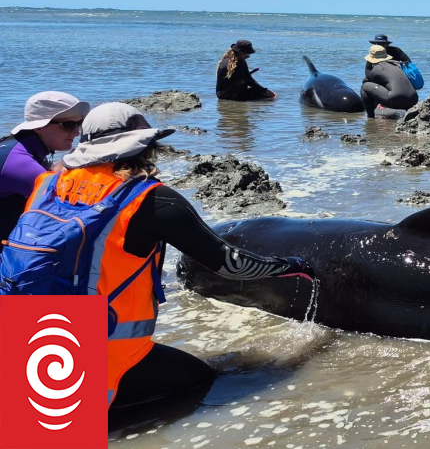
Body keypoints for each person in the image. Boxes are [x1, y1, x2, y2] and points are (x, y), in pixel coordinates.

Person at [0, 103, 313, 412]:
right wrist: (292, 266)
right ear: (145, 145)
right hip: (84, 352)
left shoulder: (47, 184)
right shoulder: (150, 198)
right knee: (199, 381)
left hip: (23, 335)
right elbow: (230, 265)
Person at [0, 92, 89, 238]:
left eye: (79, 124)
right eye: (68, 125)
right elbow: (67, 204)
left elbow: (52, 173)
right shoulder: (20, 163)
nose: (76, 132)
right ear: (39, 127)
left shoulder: (20, 145)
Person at [360, 45, 418, 117]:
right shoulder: (397, 65)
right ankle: (409, 112)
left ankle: (370, 116)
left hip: (395, 101)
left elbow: (370, 84)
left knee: (365, 86)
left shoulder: (377, 69)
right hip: (413, 100)